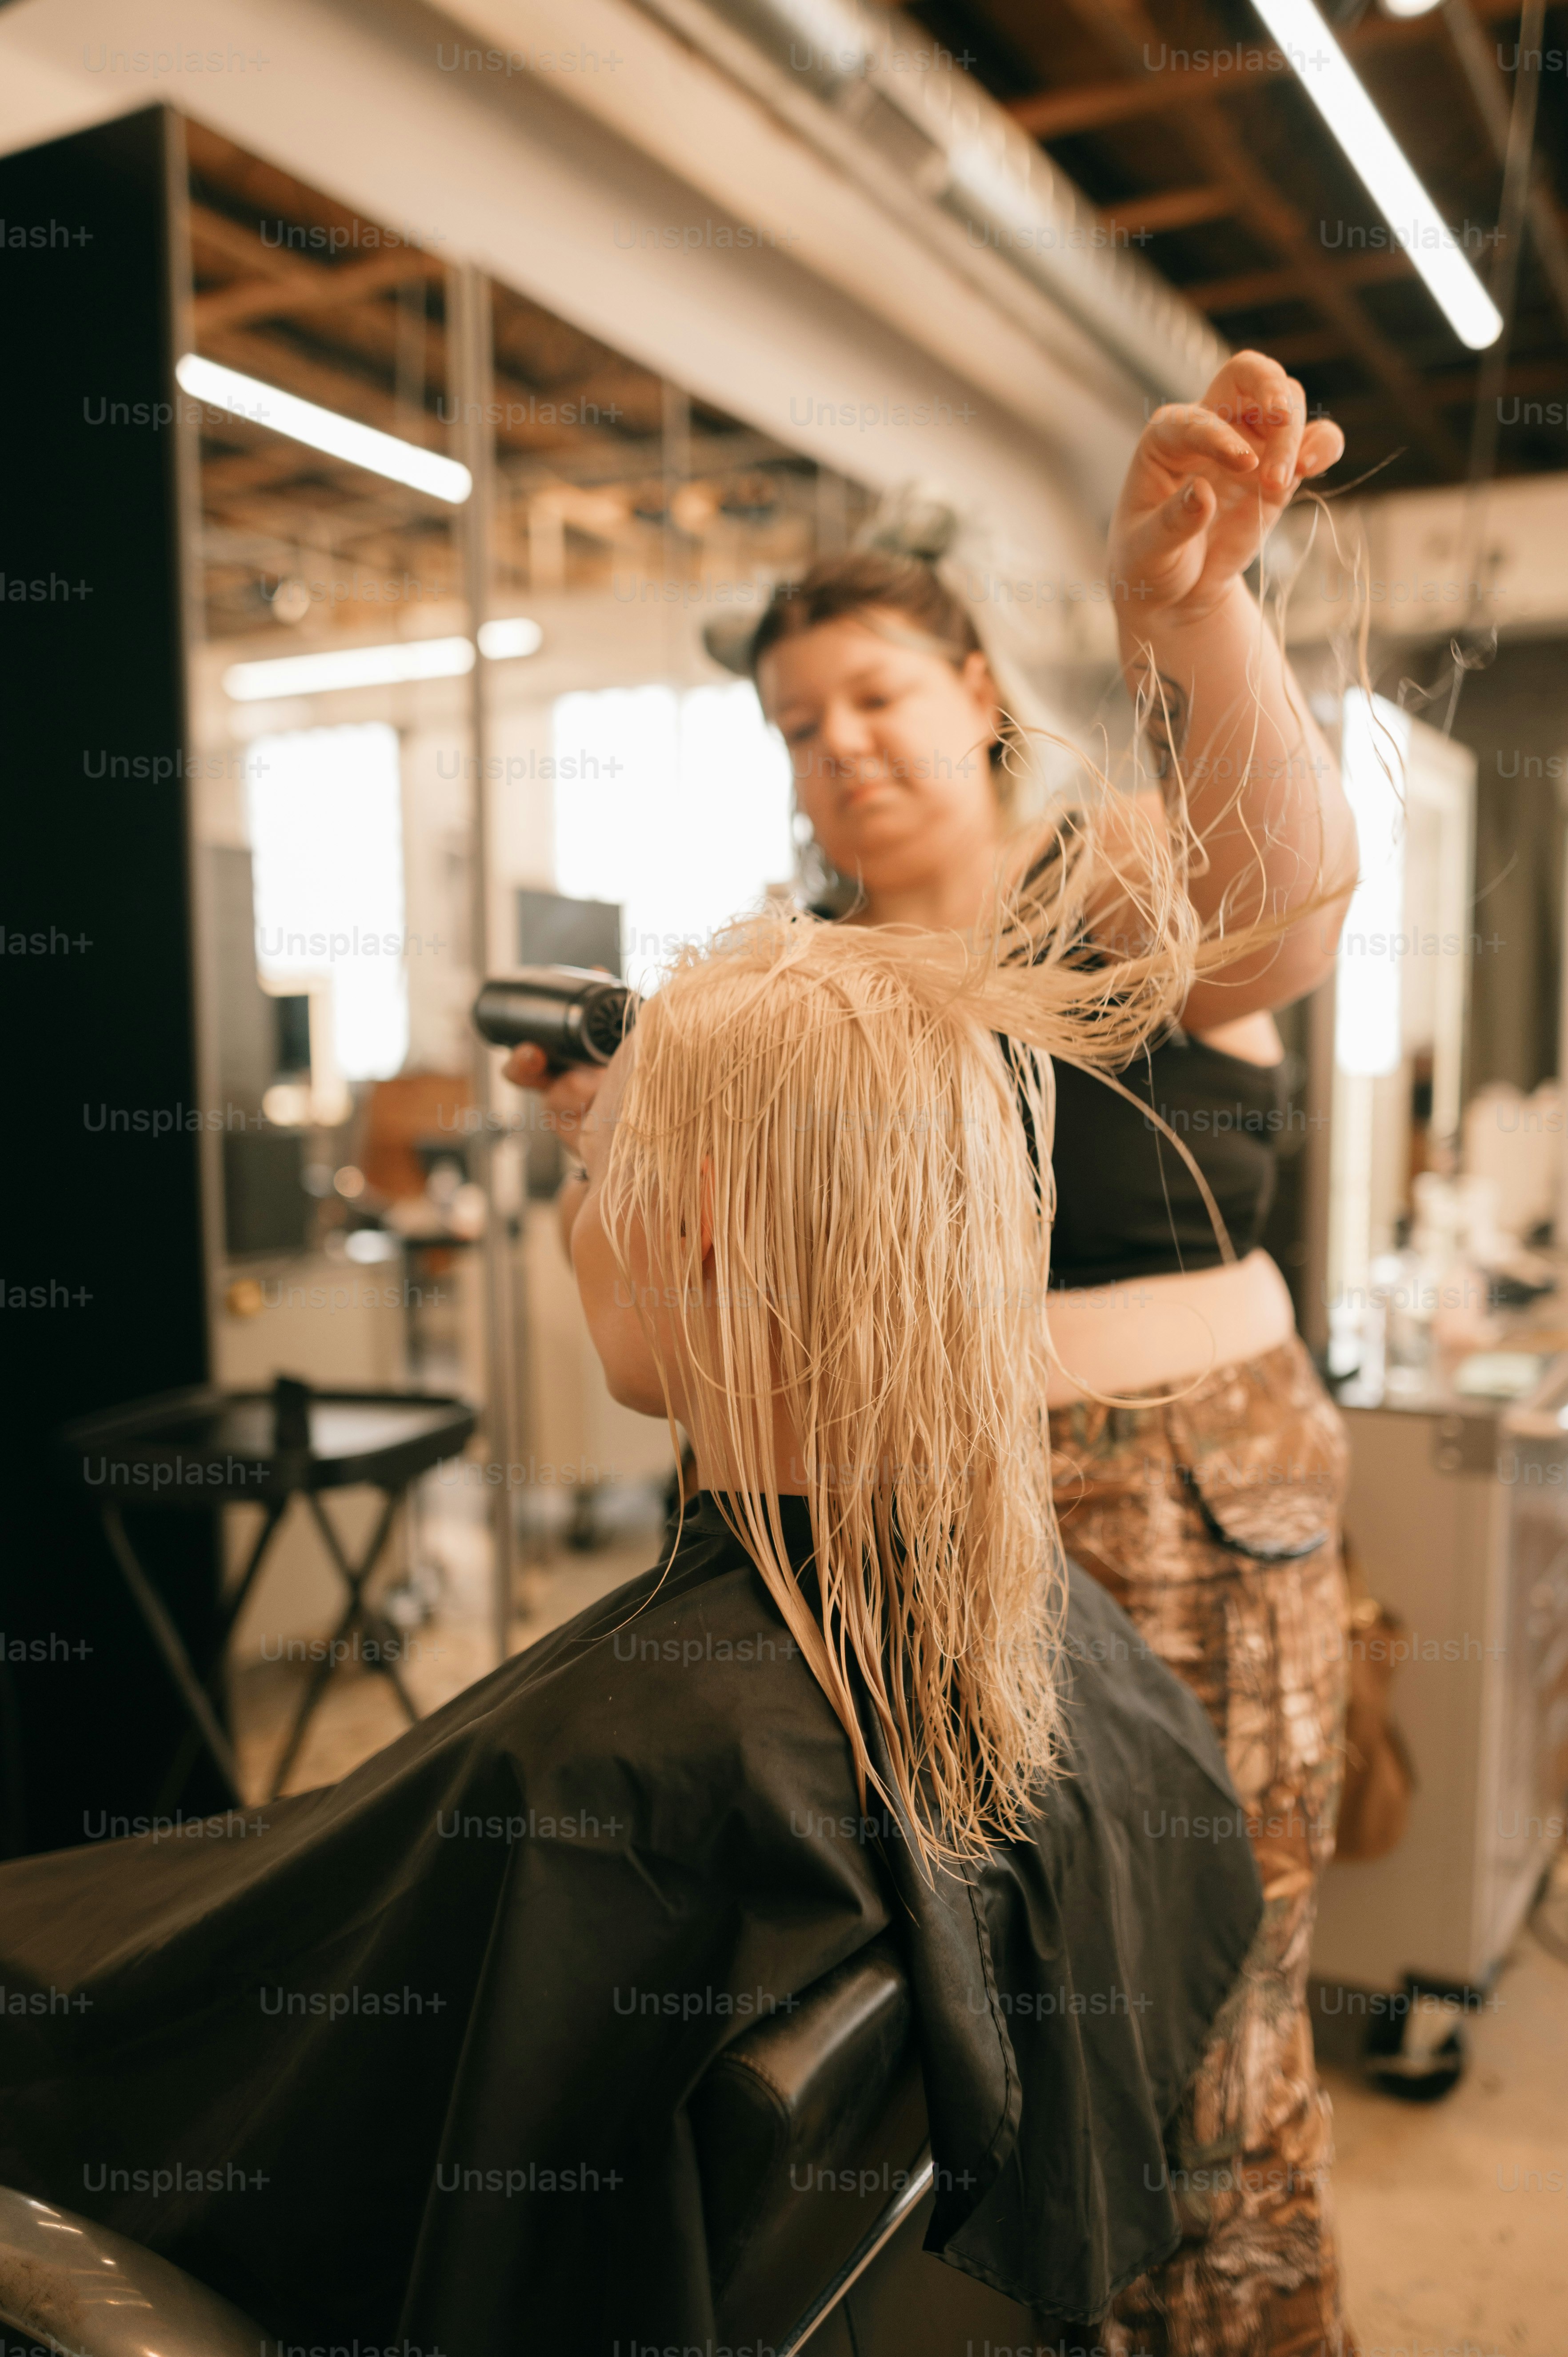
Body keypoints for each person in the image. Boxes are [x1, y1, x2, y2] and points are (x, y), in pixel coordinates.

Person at [0, 904, 1265, 2356]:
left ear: (705, 1217)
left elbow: (225, 2102)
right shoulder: (1047, 1625)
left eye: (595, 1178)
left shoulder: (597, 1788)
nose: (578, 1225)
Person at [509, 352, 1362, 2355]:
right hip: (907, 1557)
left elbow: (1287, 899)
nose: (841, 751)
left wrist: (1193, 607)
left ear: (978, 690)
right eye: (800, 728)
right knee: (1010, 2076)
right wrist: (608, 1147)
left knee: (1208, 2058)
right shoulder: (779, 987)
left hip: (1180, 1518)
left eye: (878, 697)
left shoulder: (1122, 877)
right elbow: (679, 1350)